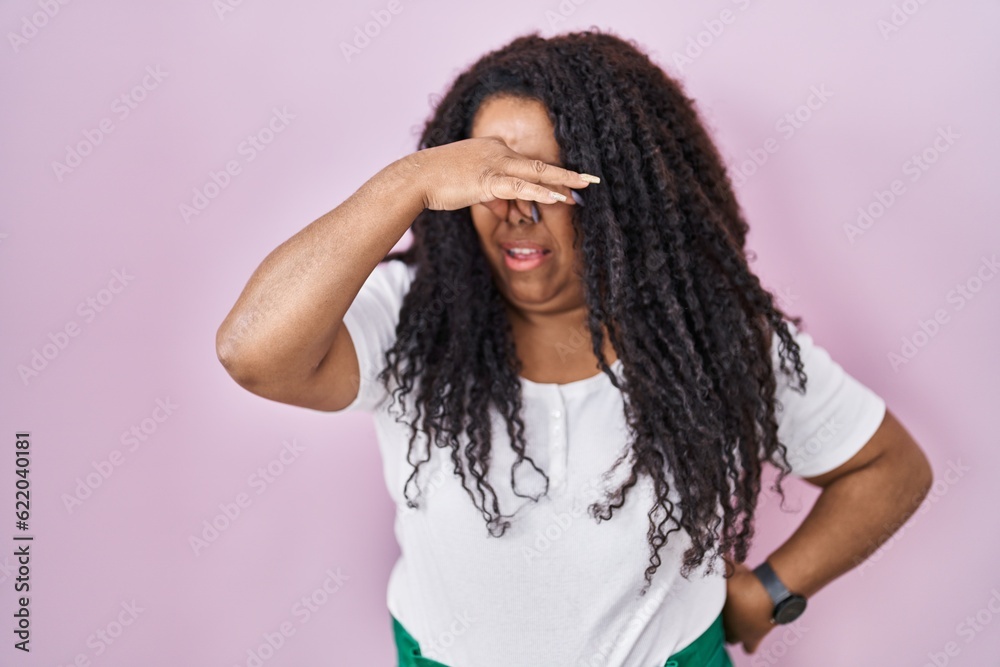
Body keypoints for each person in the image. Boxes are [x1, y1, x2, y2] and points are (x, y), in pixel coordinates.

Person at [215, 29, 933, 667]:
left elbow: (888, 467)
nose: (515, 208)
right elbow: (252, 351)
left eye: (549, 179)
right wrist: (409, 180)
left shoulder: (707, 332)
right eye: (488, 179)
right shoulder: (412, 314)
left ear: (623, 196)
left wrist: (770, 591)